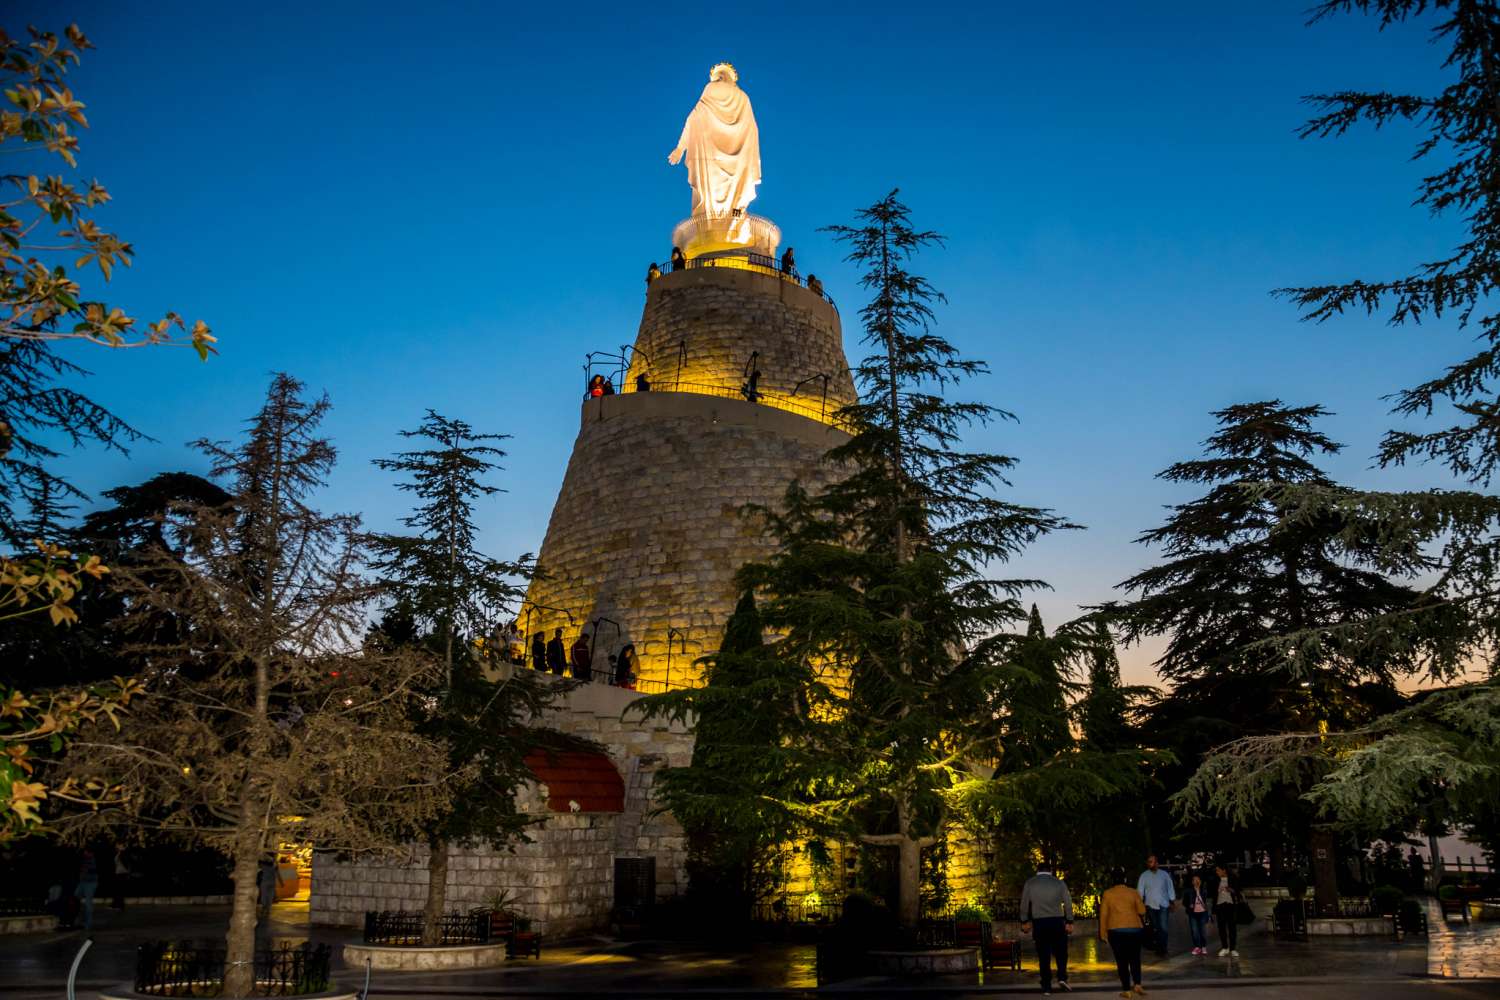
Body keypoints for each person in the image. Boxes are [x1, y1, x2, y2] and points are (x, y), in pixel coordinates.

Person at [1019, 858, 1073, 995]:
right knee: (1061, 952)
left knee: (1043, 956)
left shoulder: (1030, 883)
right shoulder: (1059, 883)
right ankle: (1061, 977)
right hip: (1057, 922)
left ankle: (1047, 986)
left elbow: (1024, 904)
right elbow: (1068, 903)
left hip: (1040, 923)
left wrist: (1024, 921)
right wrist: (1069, 921)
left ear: (1037, 871)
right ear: (1050, 871)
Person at [1098, 867, 1147, 997]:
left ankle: (1126, 990)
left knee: (1122, 961)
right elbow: (1142, 911)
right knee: (1135, 958)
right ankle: (1138, 985)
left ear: (1112, 879)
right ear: (1125, 879)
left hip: (1116, 931)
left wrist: (1103, 934)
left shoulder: (1107, 894)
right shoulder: (1133, 892)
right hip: (1135, 929)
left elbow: (1103, 915)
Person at [1136, 854, 1175, 956]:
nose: (1150, 863)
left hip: (1164, 904)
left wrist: (1172, 900)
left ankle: (1163, 948)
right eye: (1148, 862)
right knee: (1156, 927)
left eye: (1152, 861)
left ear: (1157, 863)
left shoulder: (1164, 875)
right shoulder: (1144, 876)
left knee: (1164, 927)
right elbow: (1140, 892)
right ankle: (1159, 947)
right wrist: (1140, 905)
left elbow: (1170, 887)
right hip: (1150, 905)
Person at [1209, 863, 1241, 957]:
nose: (1217, 872)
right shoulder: (1215, 880)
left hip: (1231, 905)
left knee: (1232, 928)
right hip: (1220, 906)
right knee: (1221, 928)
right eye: (1216, 870)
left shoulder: (1233, 878)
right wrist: (1217, 890)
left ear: (1224, 870)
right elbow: (1212, 894)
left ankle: (1233, 949)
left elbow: (1238, 891)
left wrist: (1231, 889)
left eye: (1218, 870)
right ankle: (1225, 947)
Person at [1182, 872, 1212, 955]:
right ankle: (1197, 947)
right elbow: (1184, 902)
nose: (1196, 881)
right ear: (1192, 882)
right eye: (1194, 880)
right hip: (1193, 913)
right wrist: (1189, 905)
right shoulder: (1188, 891)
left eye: (1197, 879)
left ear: (1200, 881)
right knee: (1194, 931)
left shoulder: (1203, 890)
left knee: (1203, 931)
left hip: (1202, 913)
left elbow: (1206, 902)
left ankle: (1203, 946)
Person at [75, 849, 99, 933]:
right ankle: (79, 921)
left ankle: (88, 924)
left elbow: (90, 870)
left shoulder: (91, 860)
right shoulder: (84, 859)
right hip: (83, 882)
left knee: (88, 903)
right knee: (75, 898)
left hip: (90, 883)